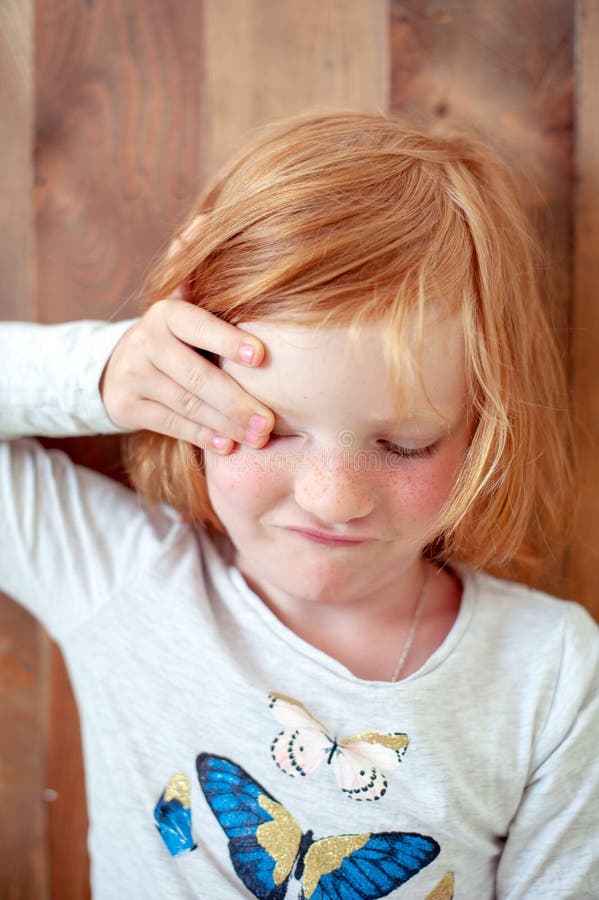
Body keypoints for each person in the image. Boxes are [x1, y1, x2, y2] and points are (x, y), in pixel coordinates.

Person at [1, 111, 597, 900]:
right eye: (272, 429)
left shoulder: (548, 673)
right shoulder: (121, 579)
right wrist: (105, 373)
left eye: (404, 444)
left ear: (481, 433)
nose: (331, 498)